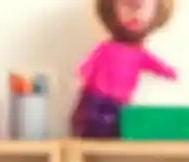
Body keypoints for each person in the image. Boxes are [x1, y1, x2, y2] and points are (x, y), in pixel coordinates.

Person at [73, 0, 178, 139]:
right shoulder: (105, 49)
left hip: (119, 104)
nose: (135, 12)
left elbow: (160, 67)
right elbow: (86, 67)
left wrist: (170, 73)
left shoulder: (140, 55)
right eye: (126, 3)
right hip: (96, 99)